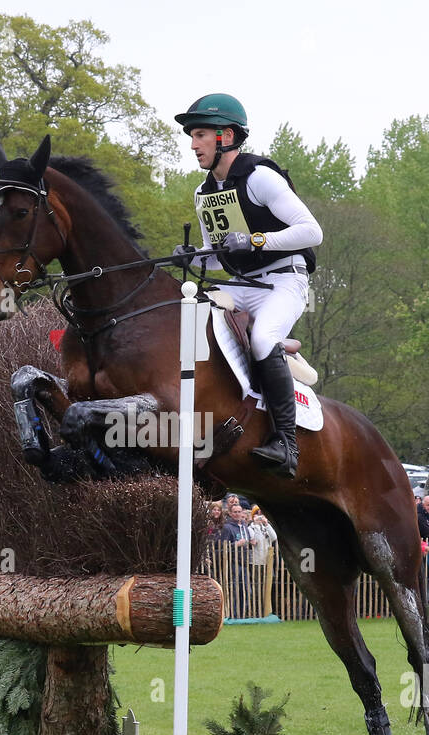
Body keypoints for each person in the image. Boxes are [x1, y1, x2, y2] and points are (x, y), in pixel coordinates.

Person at [173, 93, 323, 479]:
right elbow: (214, 252)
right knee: (189, 314)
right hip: (242, 284)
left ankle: (286, 444)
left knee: (261, 340)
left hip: (285, 281)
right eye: (192, 136)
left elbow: (312, 231)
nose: (193, 144)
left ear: (226, 136)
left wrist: (257, 240)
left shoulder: (260, 177)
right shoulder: (204, 192)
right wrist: (190, 257)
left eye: (200, 135)